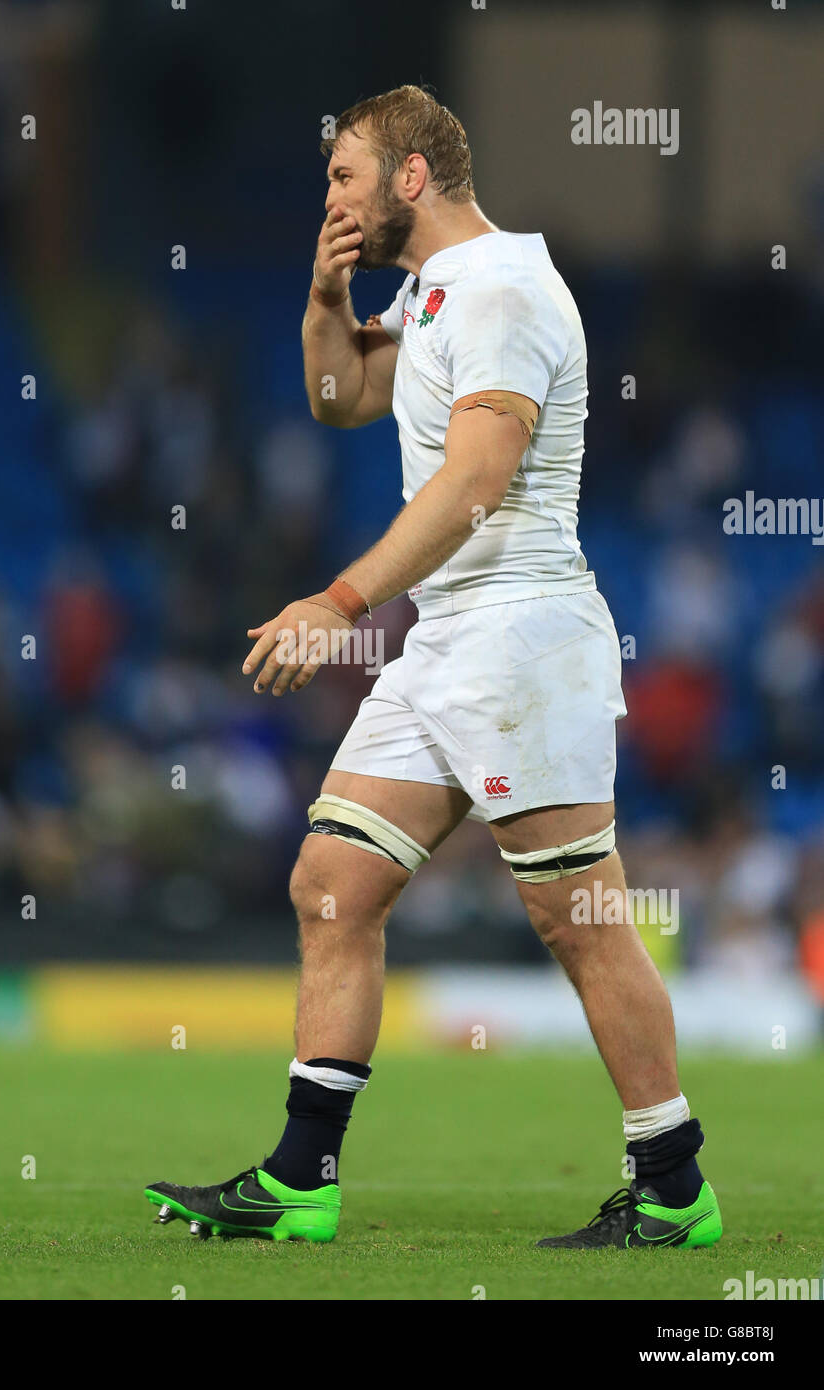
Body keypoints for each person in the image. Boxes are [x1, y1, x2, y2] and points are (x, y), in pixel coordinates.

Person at [145, 86, 721, 1250]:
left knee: (580, 918)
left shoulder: (505, 288)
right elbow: (335, 396)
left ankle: (670, 1186)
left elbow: (473, 484)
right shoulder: (433, 288)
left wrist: (337, 601)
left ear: (410, 178)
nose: (332, 200)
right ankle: (301, 1178)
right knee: (331, 882)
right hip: (448, 636)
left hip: (519, 632)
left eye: (345, 178)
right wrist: (324, 298)